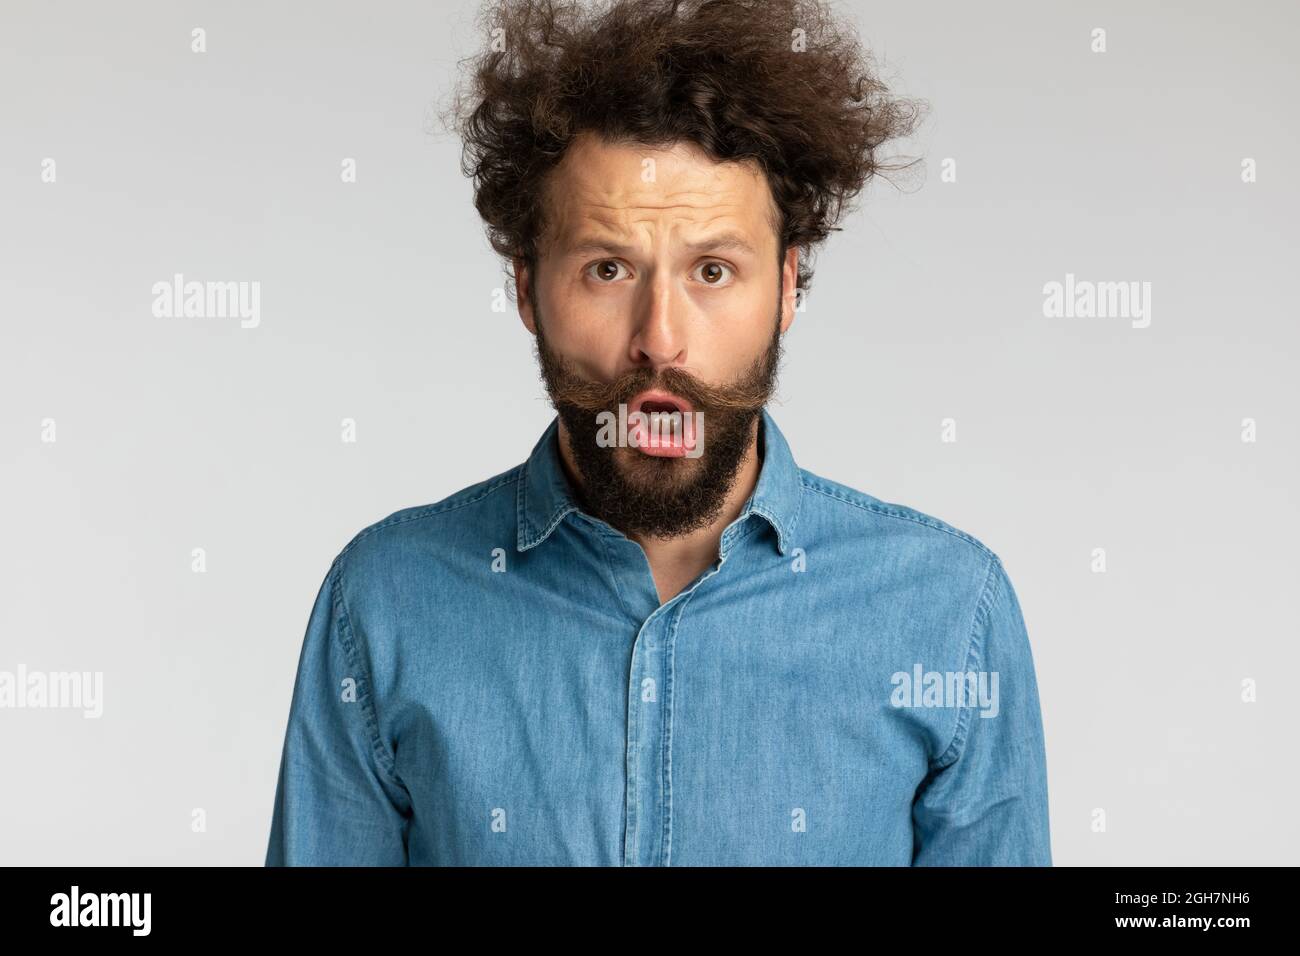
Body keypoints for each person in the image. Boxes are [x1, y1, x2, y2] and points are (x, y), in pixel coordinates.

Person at [266, 0, 1051, 866]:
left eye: (713, 270)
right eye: (608, 268)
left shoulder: (946, 612)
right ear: (526, 287)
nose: (660, 337)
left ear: (788, 287)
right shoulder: (383, 603)